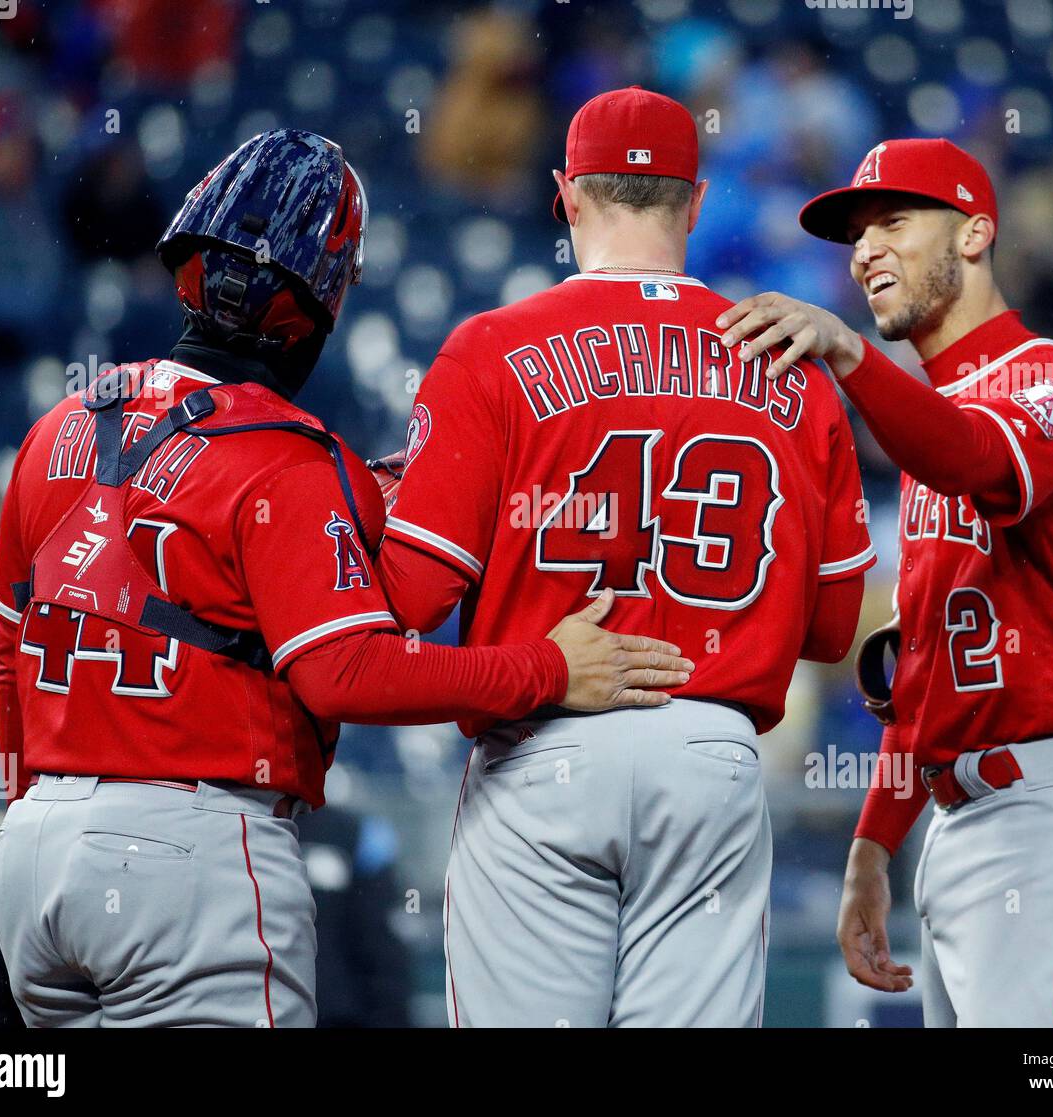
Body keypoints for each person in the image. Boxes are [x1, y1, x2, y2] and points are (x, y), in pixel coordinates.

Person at [0, 129, 691, 1028]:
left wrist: (21, 827)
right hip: (189, 855)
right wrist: (546, 669)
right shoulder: (289, 460)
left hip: (36, 852)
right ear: (322, 300)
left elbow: (9, 649)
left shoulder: (66, 423)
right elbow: (345, 672)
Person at [375, 88, 875, 1027]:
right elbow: (834, 627)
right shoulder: (791, 362)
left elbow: (412, 595)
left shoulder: (490, 349)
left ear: (567, 195)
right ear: (695, 202)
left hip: (543, 742)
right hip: (711, 751)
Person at [717, 138, 1053, 1027]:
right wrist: (874, 846)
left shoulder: (1051, 382)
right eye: (855, 234)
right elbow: (922, 673)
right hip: (966, 820)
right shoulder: (933, 431)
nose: (865, 250)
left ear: (973, 234)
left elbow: (980, 461)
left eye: (893, 221)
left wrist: (850, 356)